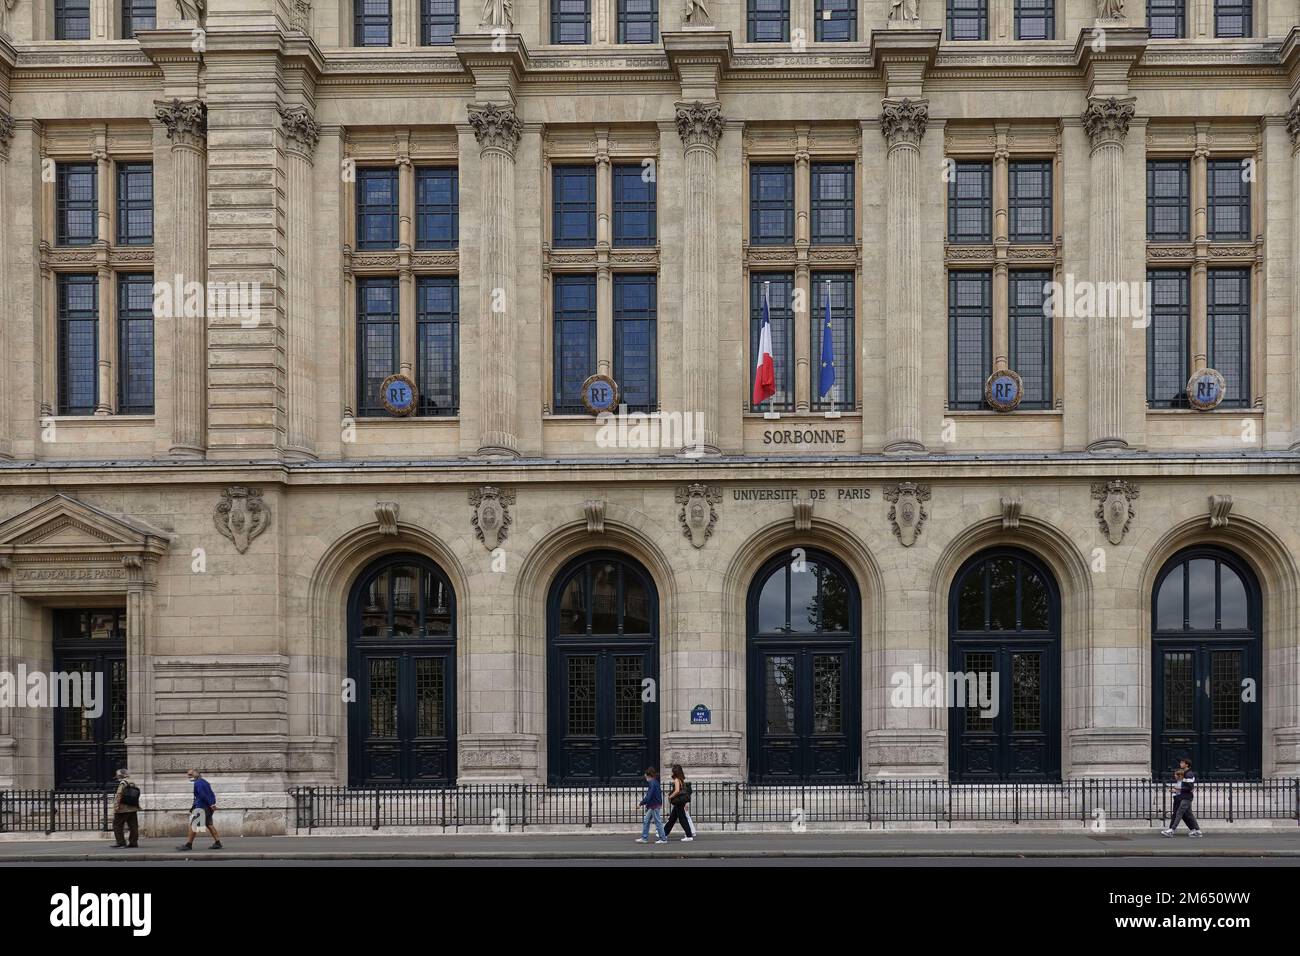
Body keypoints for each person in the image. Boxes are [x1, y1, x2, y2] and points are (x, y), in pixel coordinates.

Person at [177, 769, 223, 851]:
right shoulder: (205, 782)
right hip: (207, 807)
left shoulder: (198, 783)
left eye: (190, 775)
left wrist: (210, 804)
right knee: (209, 825)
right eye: (188, 775)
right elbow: (211, 794)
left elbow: (202, 795)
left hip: (201, 807)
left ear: (196, 774)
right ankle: (218, 842)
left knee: (194, 826)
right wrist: (212, 804)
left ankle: (188, 844)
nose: (189, 776)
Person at [1162, 757, 1202, 837]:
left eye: (1182, 763)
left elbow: (1190, 787)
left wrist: (1178, 788)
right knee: (1189, 815)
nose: (1180, 764)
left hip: (1186, 797)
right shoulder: (1186, 773)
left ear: (1186, 764)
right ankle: (1197, 831)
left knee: (1179, 813)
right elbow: (1190, 786)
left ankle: (1171, 830)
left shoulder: (1188, 774)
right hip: (1185, 796)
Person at [635, 767, 668, 844]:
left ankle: (663, 838)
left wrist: (641, 803)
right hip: (653, 804)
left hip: (654, 805)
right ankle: (644, 837)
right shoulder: (655, 782)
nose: (645, 776)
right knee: (646, 820)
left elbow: (649, 795)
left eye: (646, 775)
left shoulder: (652, 783)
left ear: (648, 775)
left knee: (657, 822)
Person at [663, 764, 695, 842]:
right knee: (672, 819)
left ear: (675, 772)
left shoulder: (677, 780)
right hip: (680, 802)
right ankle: (663, 834)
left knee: (682, 819)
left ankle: (689, 835)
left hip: (678, 802)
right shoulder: (681, 779)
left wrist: (670, 796)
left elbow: (677, 791)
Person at [111, 768, 140, 848]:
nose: (117, 778)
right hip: (133, 807)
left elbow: (119, 795)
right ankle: (133, 842)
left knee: (117, 825)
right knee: (133, 825)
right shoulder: (132, 782)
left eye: (117, 776)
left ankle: (121, 842)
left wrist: (116, 806)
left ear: (120, 776)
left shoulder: (123, 783)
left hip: (123, 808)